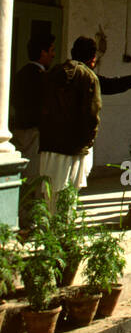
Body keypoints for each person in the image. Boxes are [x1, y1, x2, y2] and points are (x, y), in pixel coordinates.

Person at [37, 35, 102, 203]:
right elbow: (92, 114)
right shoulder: (89, 77)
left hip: (49, 145)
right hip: (72, 148)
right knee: (68, 197)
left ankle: (50, 228)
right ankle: (63, 230)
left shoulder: (53, 72)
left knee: (49, 196)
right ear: (92, 58)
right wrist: (88, 142)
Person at [11, 32, 55, 224]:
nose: (53, 55)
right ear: (42, 53)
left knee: (23, 175)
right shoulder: (42, 77)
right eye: (51, 51)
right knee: (34, 176)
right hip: (35, 132)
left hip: (19, 129)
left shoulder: (20, 74)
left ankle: (22, 213)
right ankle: (30, 218)